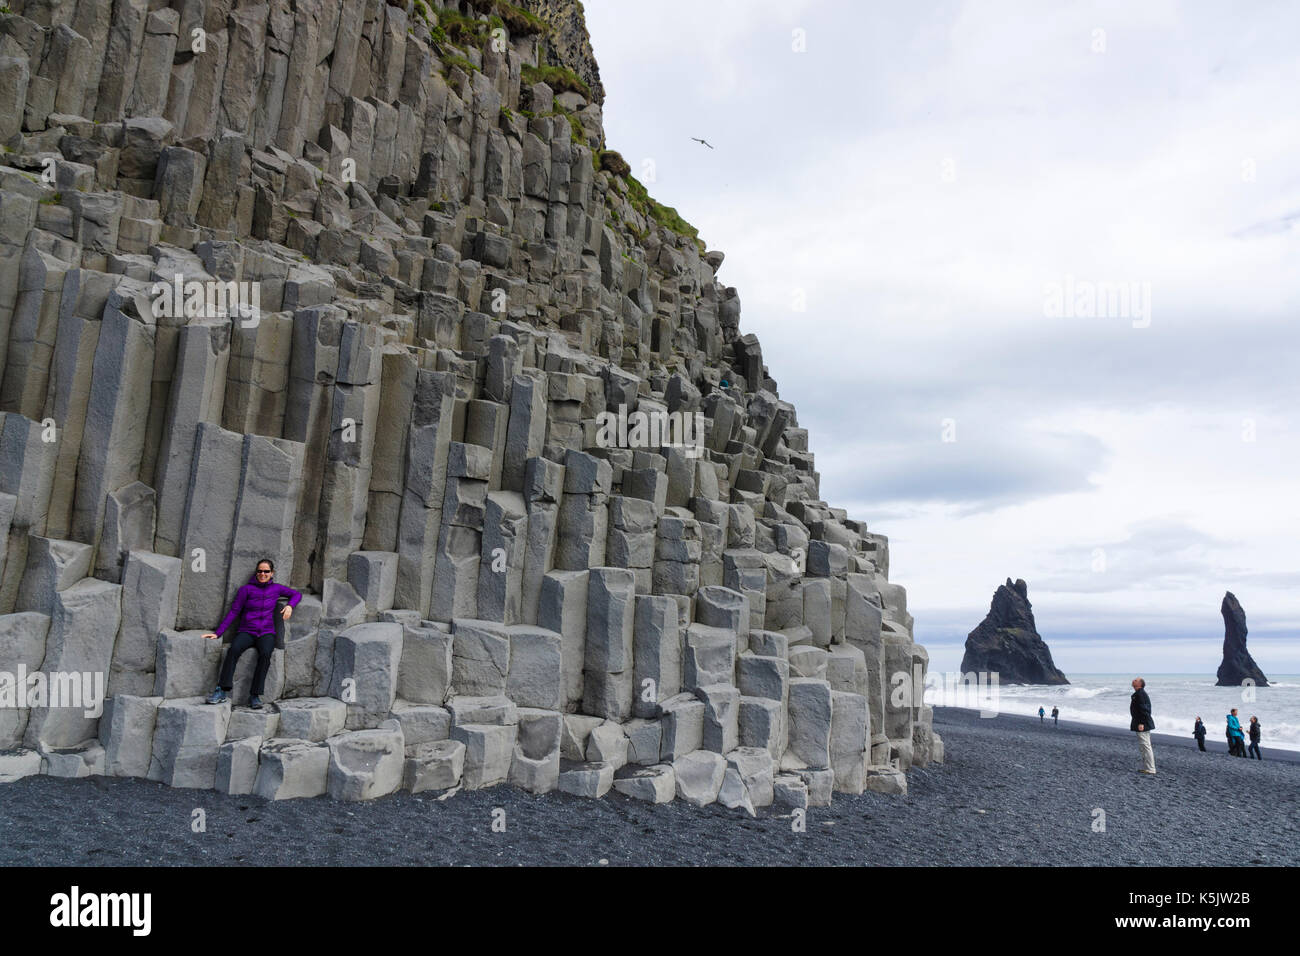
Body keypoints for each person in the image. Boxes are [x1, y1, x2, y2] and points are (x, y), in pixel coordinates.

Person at [202, 558, 301, 709]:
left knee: (266, 654)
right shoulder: (245, 590)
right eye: (260, 571)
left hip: (266, 632)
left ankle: (254, 695)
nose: (262, 574)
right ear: (256, 572)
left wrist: (290, 606)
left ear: (272, 573)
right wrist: (218, 633)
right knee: (233, 650)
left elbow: (296, 595)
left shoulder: (276, 589)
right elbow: (234, 611)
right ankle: (222, 690)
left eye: (266, 571)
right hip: (247, 631)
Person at [1129, 677, 1156, 774]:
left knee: (1145, 745)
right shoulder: (1138, 693)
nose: (1133, 680)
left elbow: (1145, 710)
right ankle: (1147, 767)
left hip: (1143, 723)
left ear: (1140, 684)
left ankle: (1151, 768)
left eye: (1135, 680)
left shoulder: (1141, 694)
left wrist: (1142, 723)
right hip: (1140, 722)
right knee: (1143, 746)